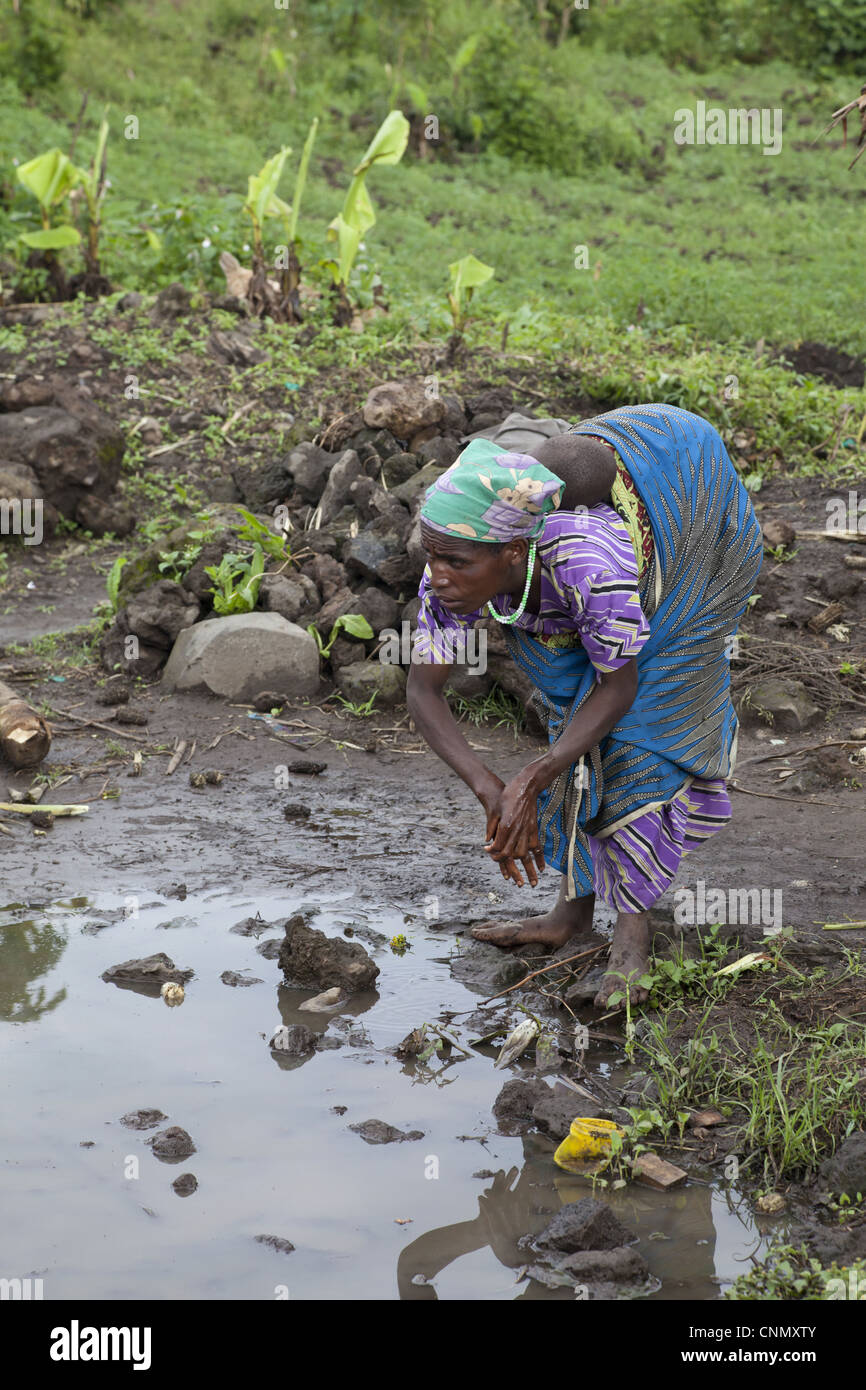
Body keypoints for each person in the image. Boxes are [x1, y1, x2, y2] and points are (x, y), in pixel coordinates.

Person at [406, 403, 763, 1009]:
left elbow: (618, 689)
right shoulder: (450, 566)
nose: (438, 576)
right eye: (432, 558)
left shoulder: (586, 563)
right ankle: (570, 914)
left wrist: (534, 776)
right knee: (572, 718)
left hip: (693, 526)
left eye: (456, 563)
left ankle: (632, 935)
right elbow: (423, 690)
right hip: (588, 570)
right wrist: (492, 788)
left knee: (638, 739)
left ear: (513, 552)